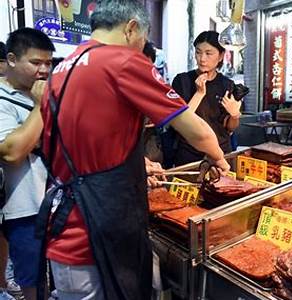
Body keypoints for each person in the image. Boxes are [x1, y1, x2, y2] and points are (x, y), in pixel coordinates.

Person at [37, 1, 230, 300]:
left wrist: (136, 165)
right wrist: (218, 158)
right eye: (143, 41)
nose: (142, 49)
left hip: (64, 230)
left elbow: (84, 145)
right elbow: (195, 129)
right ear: (131, 28)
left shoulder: (62, 69)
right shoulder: (123, 61)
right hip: (99, 237)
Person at [0, 28, 54, 300]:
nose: (44, 70)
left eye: (48, 63)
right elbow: (12, 152)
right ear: (11, 59)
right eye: (36, 62)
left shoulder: (45, 93)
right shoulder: (2, 99)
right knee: (32, 281)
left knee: (56, 278)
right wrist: (40, 105)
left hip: (57, 203)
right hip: (23, 208)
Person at [170, 30, 241, 166]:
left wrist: (235, 115)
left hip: (220, 153)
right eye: (198, 52)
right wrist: (199, 93)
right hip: (188, 153)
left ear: (220, 56)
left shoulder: (227, 84)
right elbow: (180, 122)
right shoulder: (182, 81)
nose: (202, 58)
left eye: (208, 53)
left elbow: (230, 128)